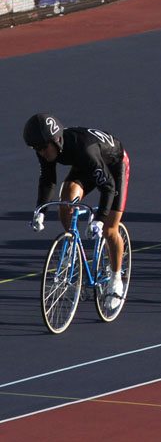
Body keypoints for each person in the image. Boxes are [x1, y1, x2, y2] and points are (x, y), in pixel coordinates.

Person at [24, 113, 130, 308]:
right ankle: (71, 246)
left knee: (109, 229)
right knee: (66, 199)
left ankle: (116, 280)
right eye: (36, 149)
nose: (41, 153)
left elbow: (108, 187)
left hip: (113, 166)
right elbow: (48, 180)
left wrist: (99, 219)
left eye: (42, 148)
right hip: (87, 165)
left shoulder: (84, 149)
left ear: (56, 140)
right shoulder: (47, 147)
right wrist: (40, 211)